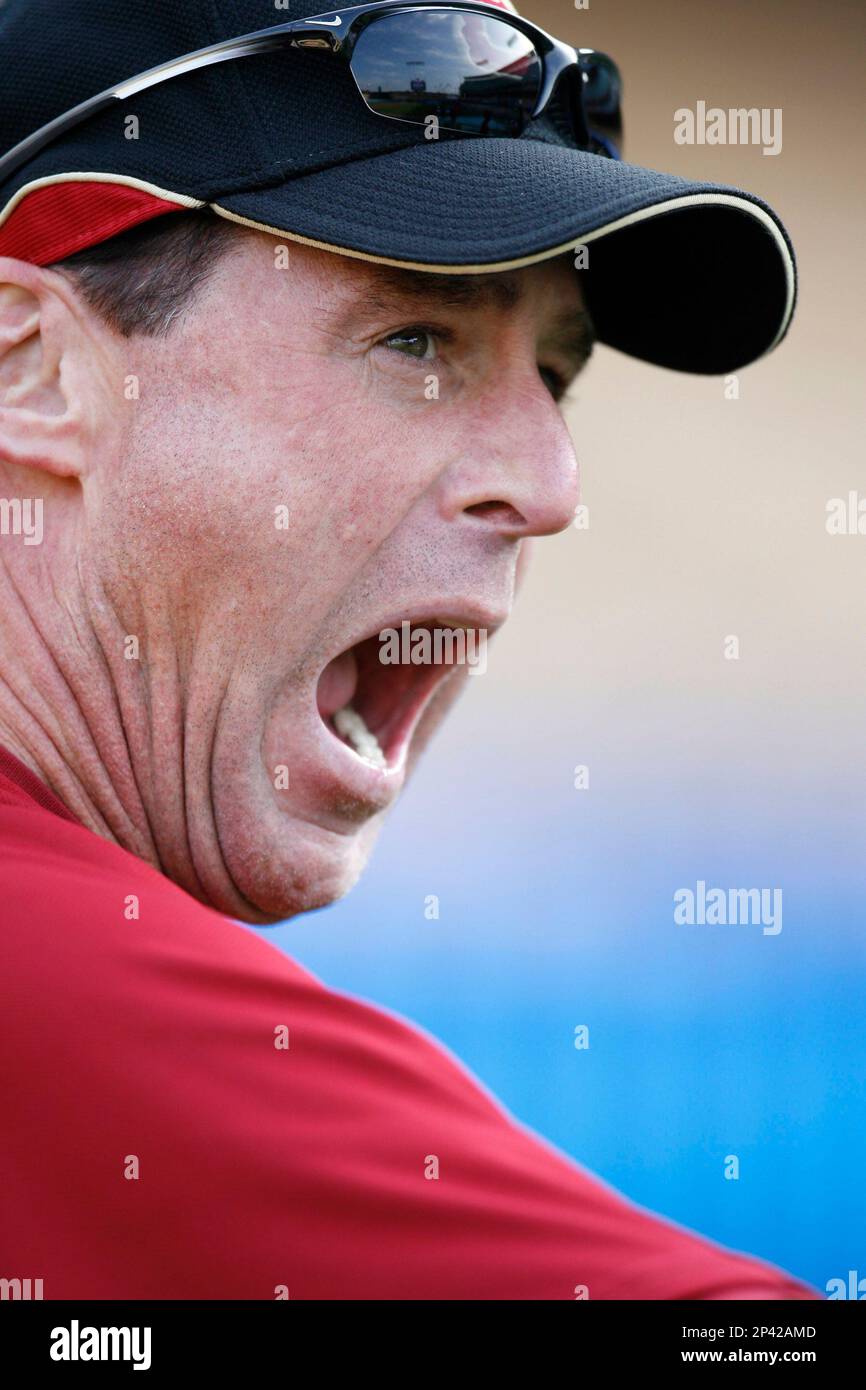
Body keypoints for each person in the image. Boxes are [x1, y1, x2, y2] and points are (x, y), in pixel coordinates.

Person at [0, 0, 817, 1299]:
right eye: (417, 340)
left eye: (552, 376)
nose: (550, 485)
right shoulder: (52, 991)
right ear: (32, 372)